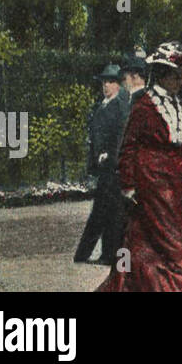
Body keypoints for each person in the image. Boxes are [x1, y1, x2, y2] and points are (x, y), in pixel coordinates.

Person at [98, 42, 182, 292]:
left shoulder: (176, 105)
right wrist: (128, 184)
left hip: (174, 180)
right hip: (150, 178)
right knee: (168, 237)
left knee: (155, 234)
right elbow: (128, 147)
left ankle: (146, 281)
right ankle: (174, 282)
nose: (180, 82)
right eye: (176, 76)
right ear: (163, 75)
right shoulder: (145, 105)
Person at [73, 64, 128, 265]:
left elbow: (120, 137)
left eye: (110, 82)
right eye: (104, 82)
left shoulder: (120, 107)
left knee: (105, 211)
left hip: (113, 166)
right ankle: (103, 255)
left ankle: (91, 254)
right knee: (106, 210)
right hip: (103, 166)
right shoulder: (101, 105)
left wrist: (109, 154)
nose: (106, 86)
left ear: (118, 85)